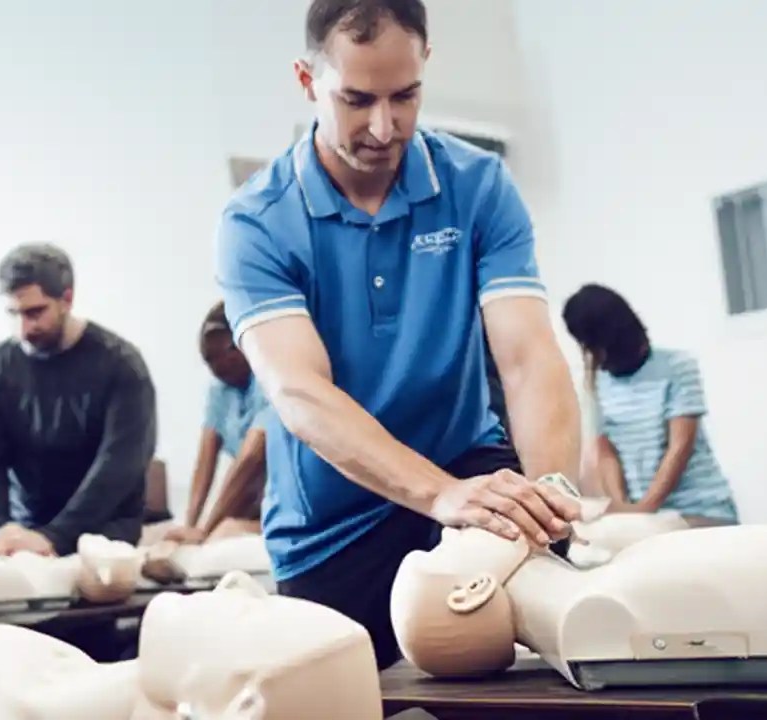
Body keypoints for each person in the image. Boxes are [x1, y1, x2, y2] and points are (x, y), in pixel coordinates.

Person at [214, 0, 583, 669]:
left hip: (468, 468)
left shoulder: (478, 186)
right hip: (330, 525)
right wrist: (437, 494)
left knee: (556, 668)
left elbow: (528, 358)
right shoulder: (257, 222)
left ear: (425, 68)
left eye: (405, 96)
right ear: (307, 81)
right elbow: (300, 393)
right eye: (357, 100)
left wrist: (552, 490)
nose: (384, 128)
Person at [0, 243, 158, 558]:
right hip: (27, 529)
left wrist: (56, 537)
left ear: (66, 299)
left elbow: (121, 463)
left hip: (105, 532)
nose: (23, 329)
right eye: (13, 314)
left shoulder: (121, 365)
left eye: (34, 312)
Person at [562, 284, 739, 525]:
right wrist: (623, 507)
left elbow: (680, 447)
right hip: (648, 516)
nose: (592, 353)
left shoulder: (677, 366)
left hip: (702, 509)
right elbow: (606, 450)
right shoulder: (599, 381)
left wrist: (646, 508)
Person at [162, 300, 271, 545]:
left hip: (283, 496)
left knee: (224, 533)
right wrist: (190, 525)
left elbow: (251, 457)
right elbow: (205, 459)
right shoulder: (220, 391)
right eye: (209, 359)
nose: (218, 365)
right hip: (254, 498)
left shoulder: (268, 379)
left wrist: (206, 531)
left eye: (226, 353)